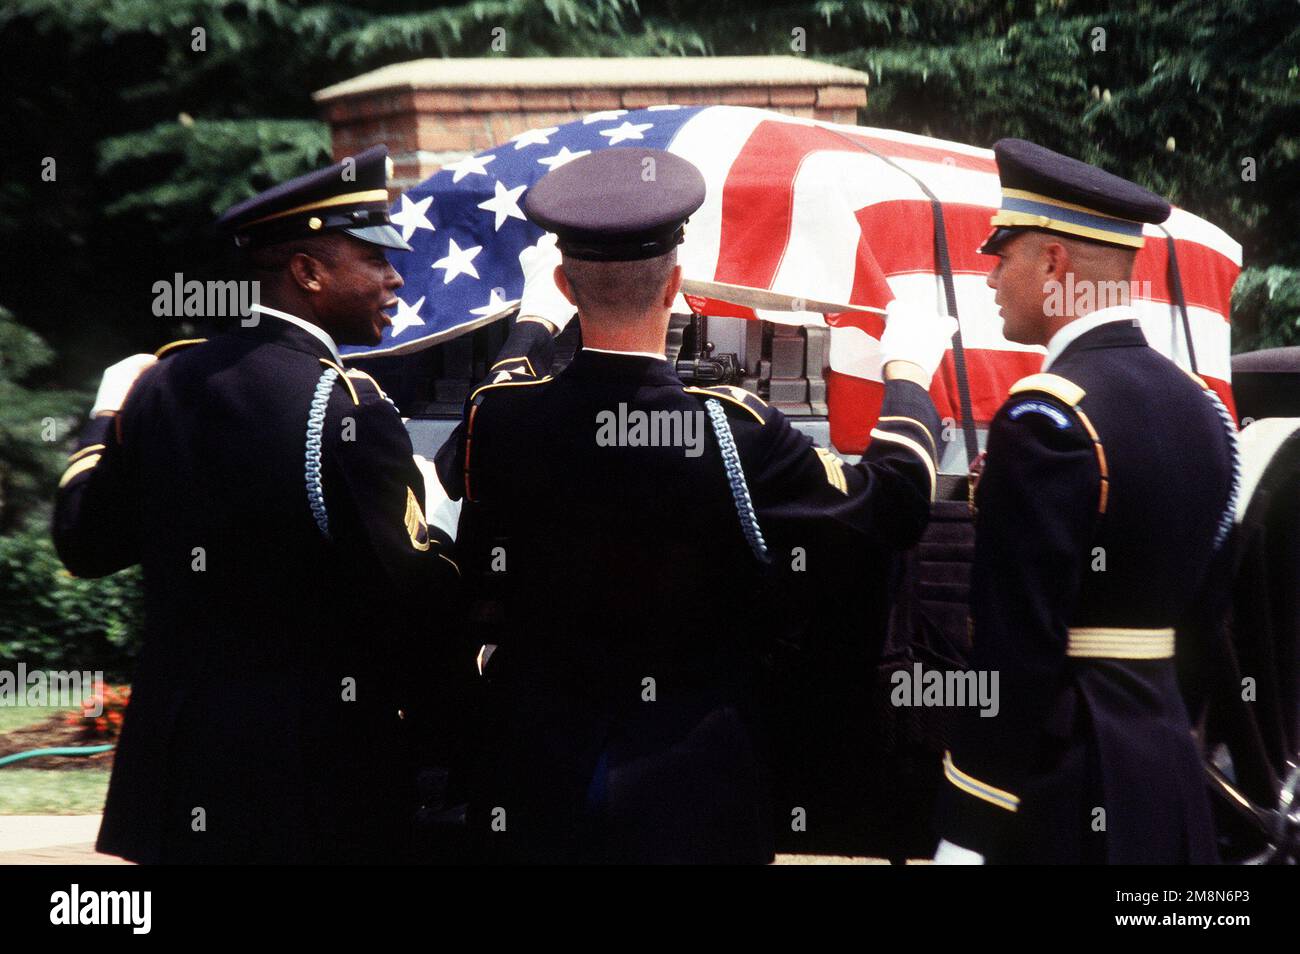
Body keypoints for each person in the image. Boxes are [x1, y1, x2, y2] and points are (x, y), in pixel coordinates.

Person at [436, 146, 956, 863]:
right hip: (690, 780)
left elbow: (479, 420)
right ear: (677, 282)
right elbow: (893, 505)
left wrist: (532, 326)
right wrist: (907, 374)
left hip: (534, 780)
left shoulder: (502, 420)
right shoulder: (729, 430)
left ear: (561, 282)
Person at [52, 145, 461, 863]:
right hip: (308, 771)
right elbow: (414, 593)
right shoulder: (345, 405)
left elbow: (85, 543)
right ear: (309, 272)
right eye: (376, 261)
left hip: (179, 764)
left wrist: (101, 418)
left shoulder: (165, 384)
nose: (395, 279)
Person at [934, 139, 1237, 864]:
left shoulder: (1048, 416)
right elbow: (1208, 618)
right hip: (1165, 772)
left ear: (1052, 264)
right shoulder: (1202, 409)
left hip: (1066, 785)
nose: (990, 279)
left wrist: (970, 821)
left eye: (1001, 256)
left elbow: (1016, 640)